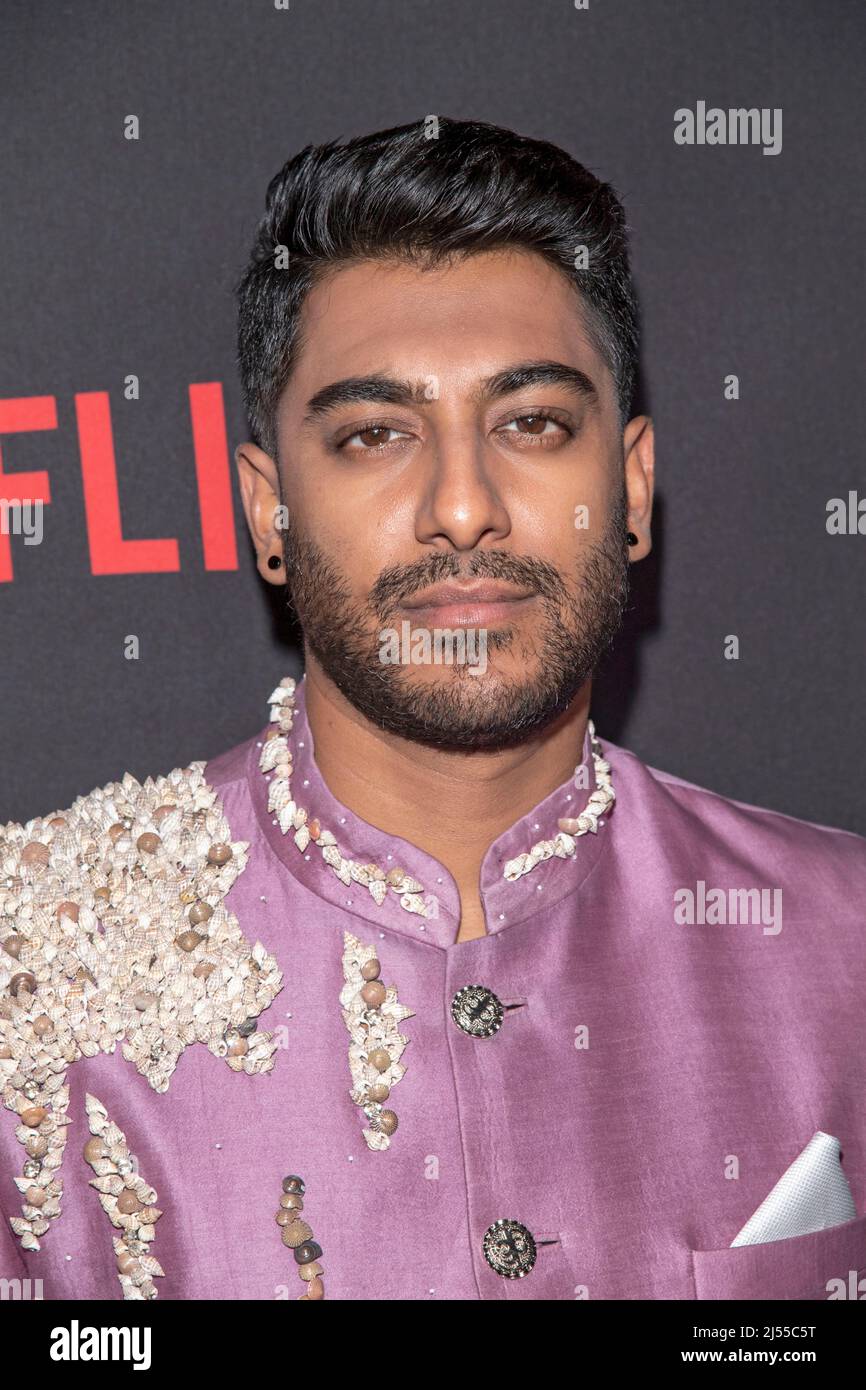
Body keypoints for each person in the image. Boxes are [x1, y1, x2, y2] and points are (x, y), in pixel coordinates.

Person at [1, 118, 864, 1302]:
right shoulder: (30, 971)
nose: (461, 506)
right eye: (373, 435)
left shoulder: (839, 941)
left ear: (630, 486)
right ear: (266, 511)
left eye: (532, 424)